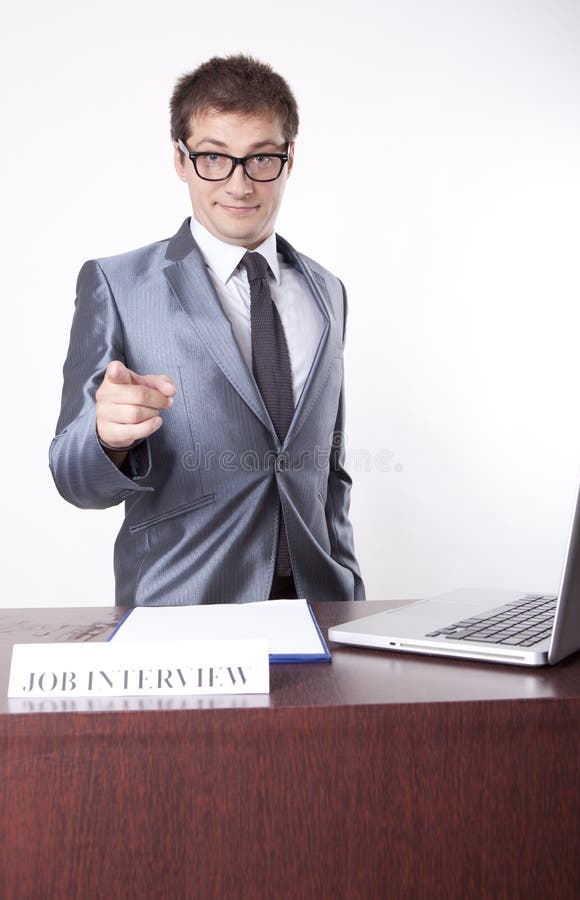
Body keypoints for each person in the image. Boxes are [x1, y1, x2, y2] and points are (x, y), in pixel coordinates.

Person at [50, 54, 365, 606]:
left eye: (261, 158)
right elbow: (73, 480)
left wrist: (351, 594)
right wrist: (105, 438)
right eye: (214, 158)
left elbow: (330, 473)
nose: (240, 184)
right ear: (181, 159)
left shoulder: (328, 290)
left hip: (320, 608)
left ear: (289, 159)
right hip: (185, 606)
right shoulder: (117, 285)